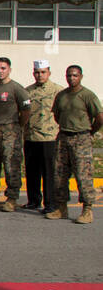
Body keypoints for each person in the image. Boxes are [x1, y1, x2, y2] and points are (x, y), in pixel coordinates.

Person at [46, 65, 102, 224]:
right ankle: (61, 208)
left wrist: (89, 132)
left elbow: (99, 118)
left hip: (81, 138)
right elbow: (57, 115)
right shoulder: (61, 95)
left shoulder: (87, 95)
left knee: (83, 175)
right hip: (63, 137)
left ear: (81, 77)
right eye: (69, 75)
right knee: (59, 174)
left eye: (75, 75)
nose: (72, 78)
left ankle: (87, 210)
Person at [0, 57, 30, 212]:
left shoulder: (17, 88)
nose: (0, 71)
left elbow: (26, 110)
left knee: (11, 165)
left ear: (9, 69)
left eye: (3, 68)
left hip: (10, 131)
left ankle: (12, 197)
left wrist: (18, 126)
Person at [24, 61, 63, 214]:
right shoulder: (27, 91)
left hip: (49, 137)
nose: (39, 75)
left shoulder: (57, 91)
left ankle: (50, 203)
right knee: (32, 171)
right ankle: (33, 200)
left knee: (48, 172)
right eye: (37, 72)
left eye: (43, 72)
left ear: (49, 72)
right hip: (31, 136)